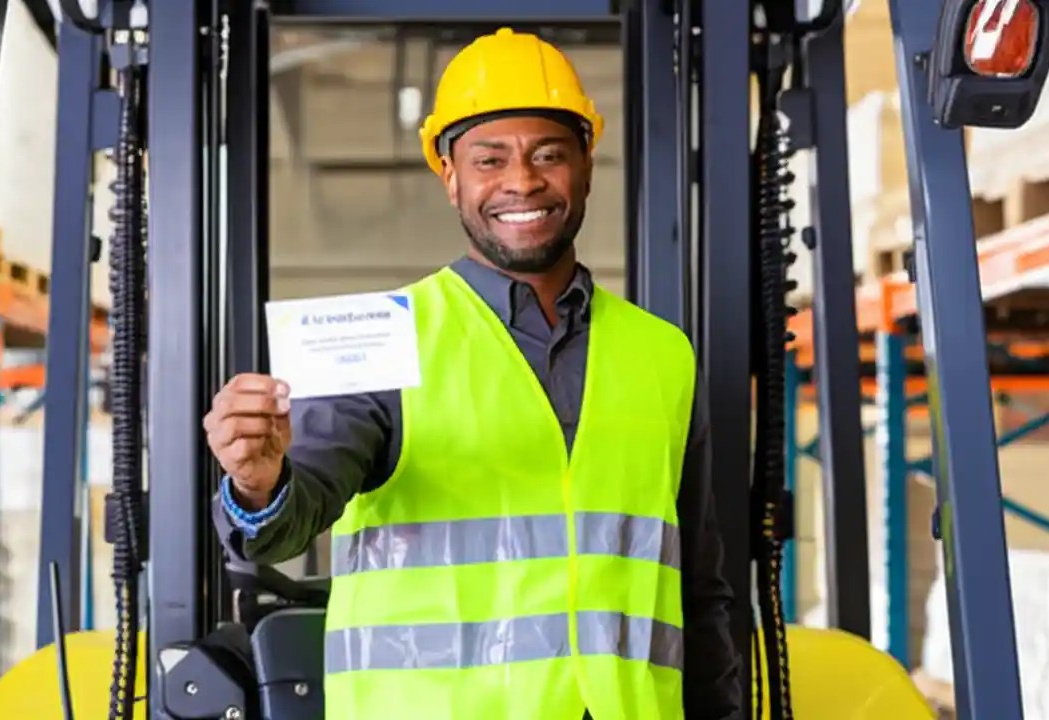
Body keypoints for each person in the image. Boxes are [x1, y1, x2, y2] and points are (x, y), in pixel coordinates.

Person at [206, 27, 741, 720]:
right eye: (490, 159)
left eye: (549, 154)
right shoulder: (384, 338)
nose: (522, 180)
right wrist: (259, 483)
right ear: (450, 176)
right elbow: (289, 519)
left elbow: (698, 591)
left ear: (585, 164)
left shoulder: (662, 354)